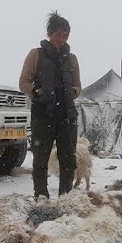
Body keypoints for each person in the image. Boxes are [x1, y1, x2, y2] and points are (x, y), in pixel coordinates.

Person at [20, 11, 83, 201]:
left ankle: (66, 197)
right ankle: (41, 196)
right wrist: (38, 92)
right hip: (43, 114)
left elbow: (78, 85)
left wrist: (72, 93)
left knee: (68, 160)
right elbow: (23, 82)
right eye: (58, 35)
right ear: (50, 33)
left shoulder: (71, 59)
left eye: (66, 36)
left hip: (66, 115)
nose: (62, 40)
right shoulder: (36, 54)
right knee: (41, 158)